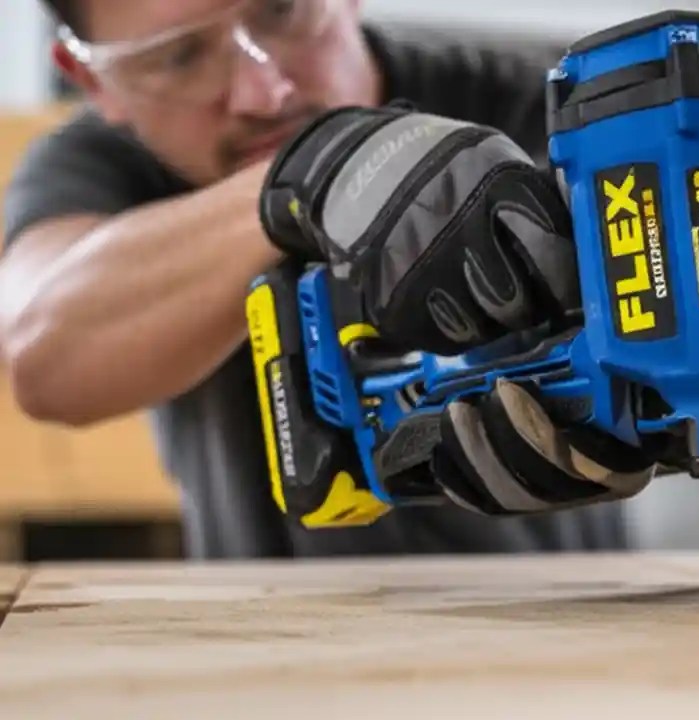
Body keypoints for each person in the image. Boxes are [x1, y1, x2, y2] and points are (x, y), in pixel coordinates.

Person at [0, 0, 657, 559]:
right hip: (268, 664)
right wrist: (302, 177)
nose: (265, 90)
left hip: (576, 648)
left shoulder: (560, 102)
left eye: (282, 9)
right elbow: (41, 352)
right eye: (180, 59)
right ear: (92, 81)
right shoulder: (97, 167)